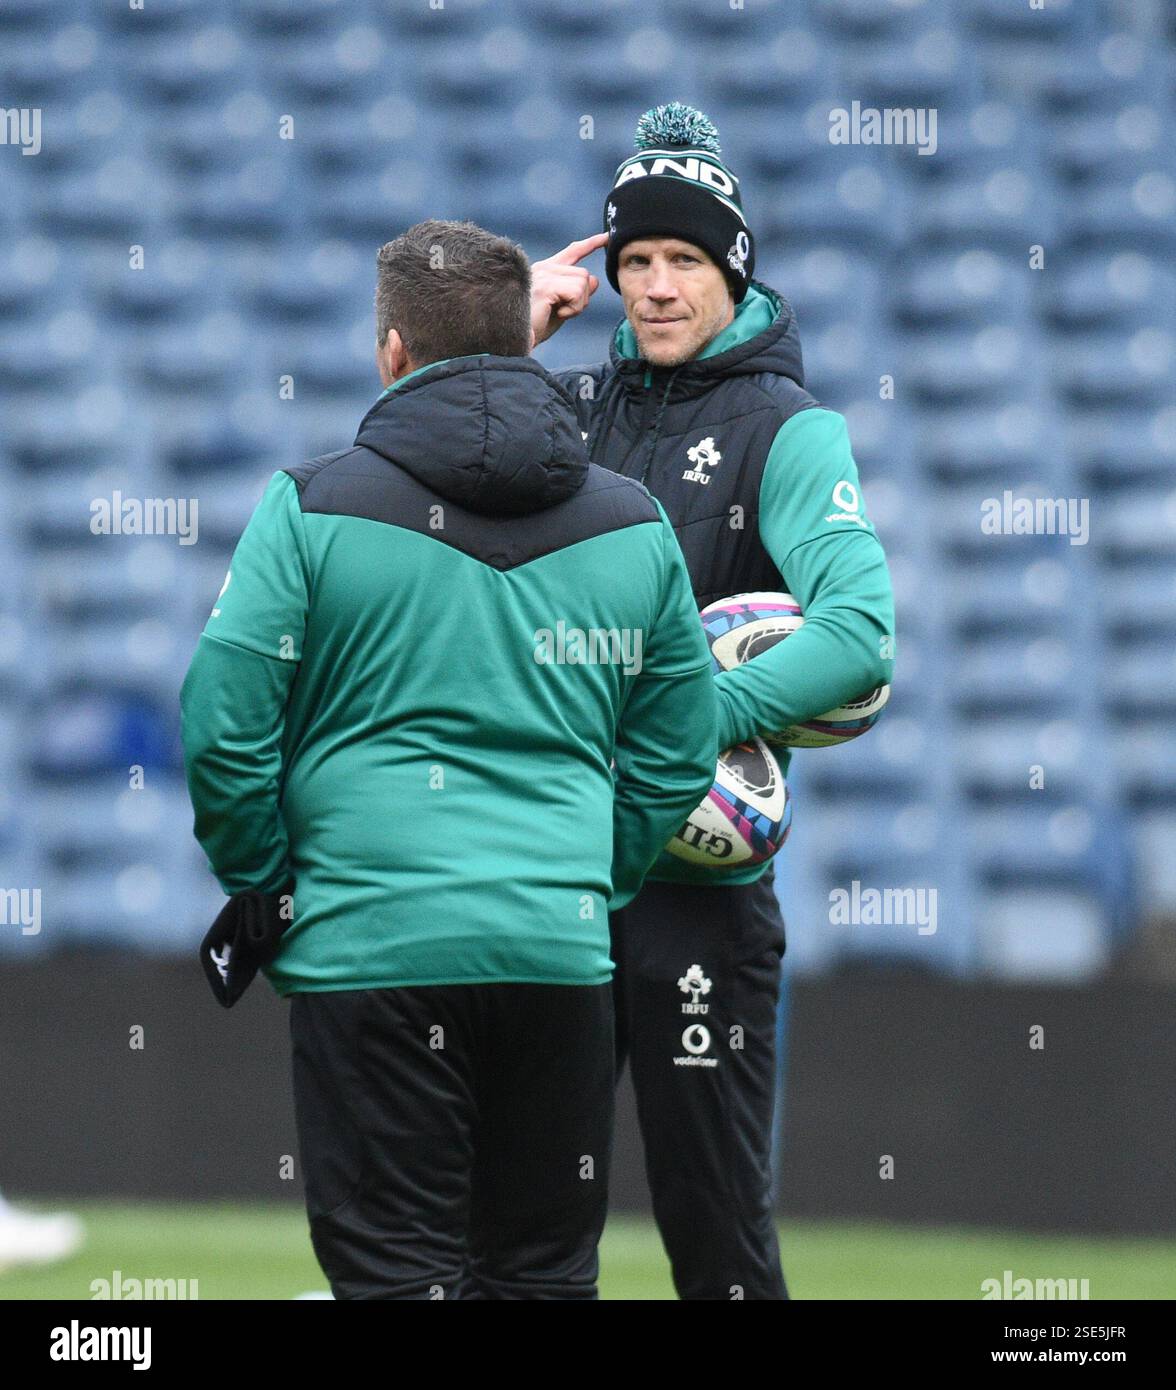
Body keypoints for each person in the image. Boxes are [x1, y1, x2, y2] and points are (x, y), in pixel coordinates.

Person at [180, 218, 719, 1300]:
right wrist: (588, 871)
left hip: (370, 953)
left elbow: (221, 723)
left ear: (390, 352)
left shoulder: (312, 508)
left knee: (396, 1278)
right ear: (523, 345)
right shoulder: (635, 523)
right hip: (555, 954)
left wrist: (267, 883)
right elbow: (679, 749)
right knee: (541, 1276)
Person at [530, 103, 897, 1300]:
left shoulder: (792, 433)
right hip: (555, 884)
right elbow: (390, 502)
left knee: (717, 1237)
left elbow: (858, 638)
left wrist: (684, 720)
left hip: (699, 897)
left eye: (684, 258)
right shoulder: (563, 415)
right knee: (524, 1230)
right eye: (634, 260)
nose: (655, 285)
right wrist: (502, 346)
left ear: (733, 270)